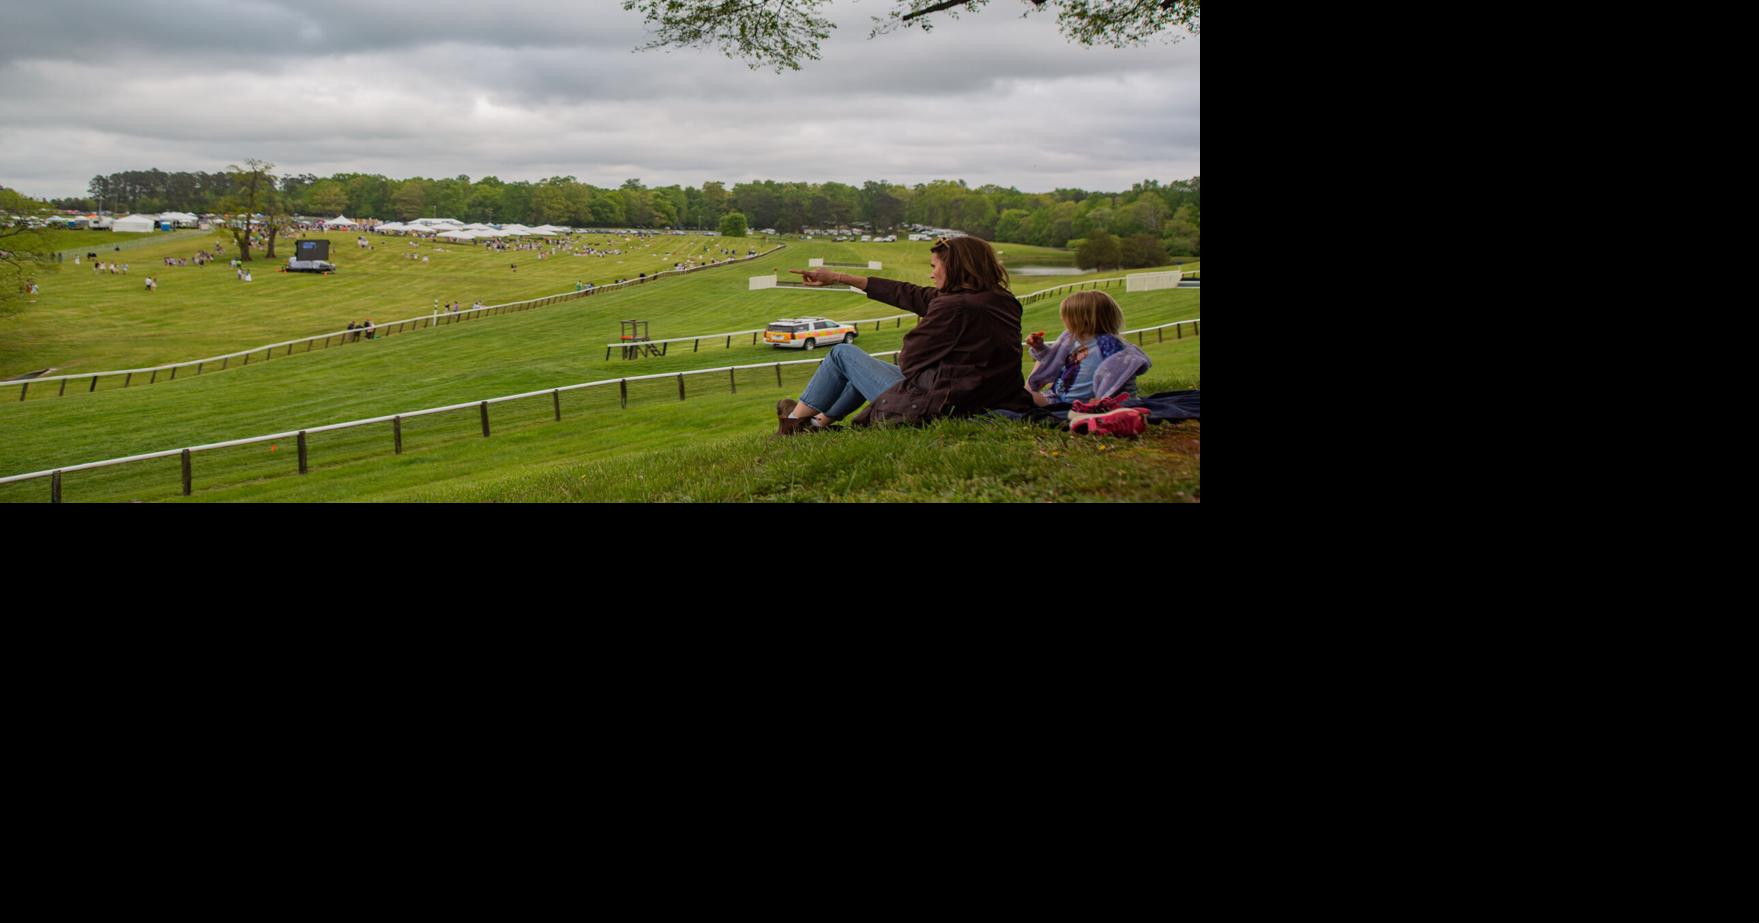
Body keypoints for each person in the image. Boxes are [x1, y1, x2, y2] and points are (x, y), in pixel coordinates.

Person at [775, 235, 1036, 436]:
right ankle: (816, 424)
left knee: (843, 354)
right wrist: (839, 277)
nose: (931, 273)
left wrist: (930, 326)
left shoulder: (954, 307)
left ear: (955, 267)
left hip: (941, 405)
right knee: (866, 366)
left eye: (935, 267)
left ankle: (791, 428)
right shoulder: (1001, 300)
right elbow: (909, 293)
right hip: (979, 397)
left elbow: (909, 361)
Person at [1024, 291, 1151, 407]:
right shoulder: (1072, 337)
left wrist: (1104, 399)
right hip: (1059, 396)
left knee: (1017, 395)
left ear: (1081, 319)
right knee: (1019, 393)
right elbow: (1054, 360)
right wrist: (1039, 347)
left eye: (1066, 315)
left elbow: (1119, 373)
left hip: (1074, 404)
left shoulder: (1108, 343)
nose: (1062, 318)